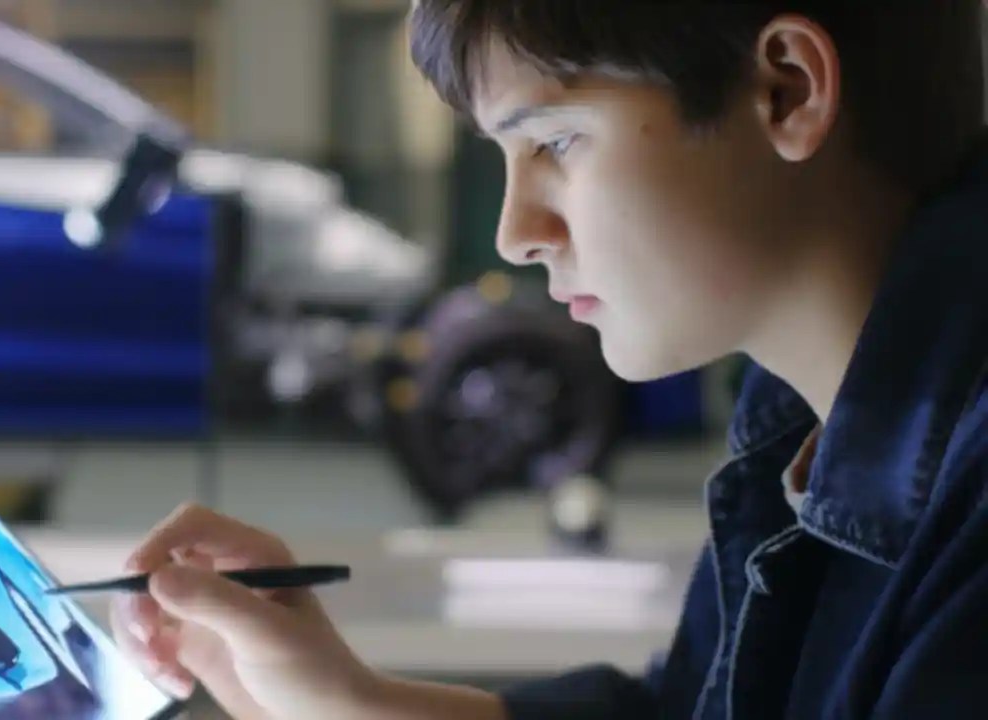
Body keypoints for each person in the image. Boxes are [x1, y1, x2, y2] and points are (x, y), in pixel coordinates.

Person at [112, 1, 988, 718]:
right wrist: (346, 706)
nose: (515, 235)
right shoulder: (802, 422)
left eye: (557, 143)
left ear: (786, 91)